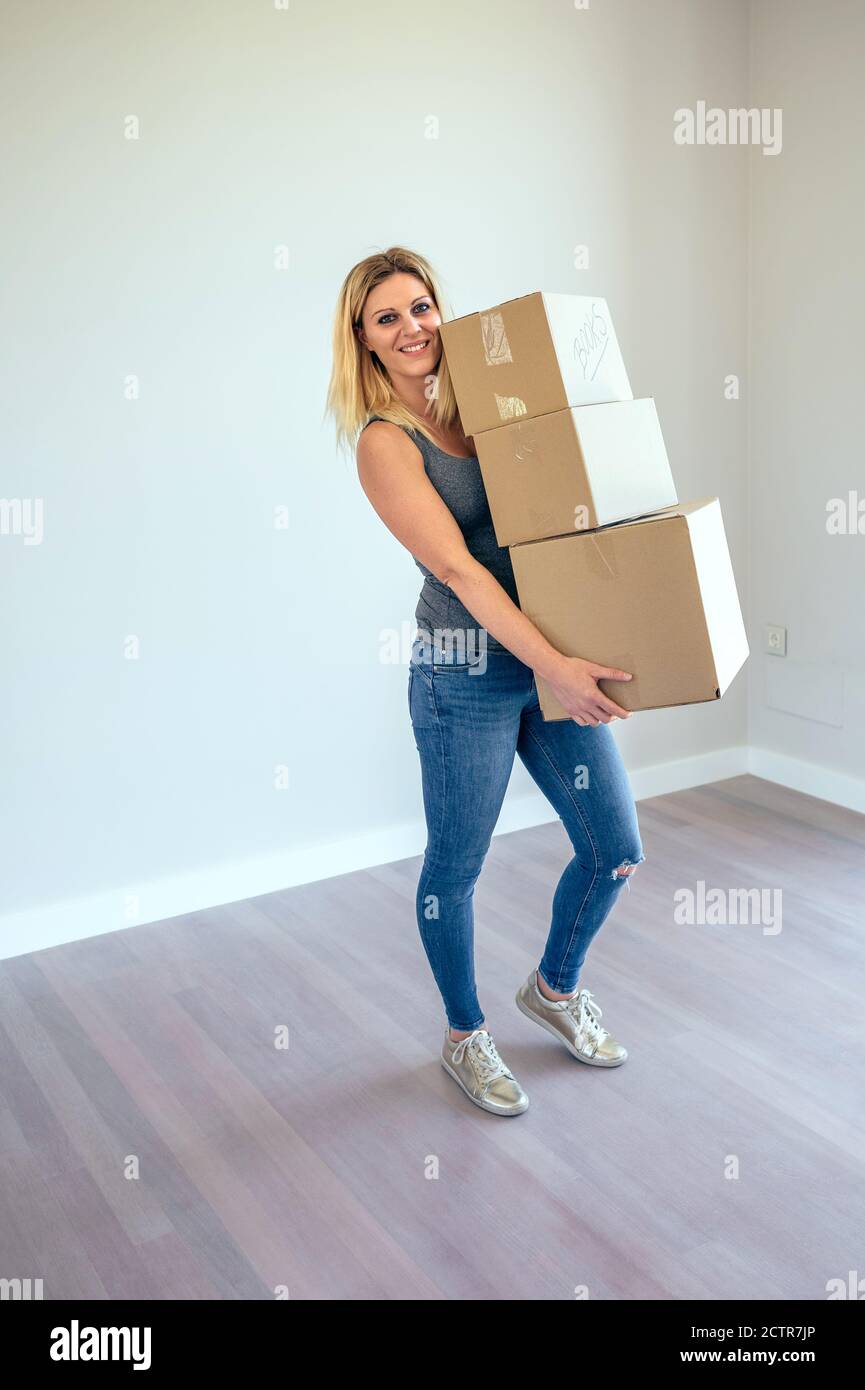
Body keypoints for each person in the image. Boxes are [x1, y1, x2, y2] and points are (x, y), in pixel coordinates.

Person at [325, 247, 645, 1117]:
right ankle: (465, 1036)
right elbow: (465, 574)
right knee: (457, 867)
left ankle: (552, 987)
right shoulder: (385, 444)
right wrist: (559, 672)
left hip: (549, 652)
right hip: (464, 673)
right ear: (362, 339)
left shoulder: (498, 411)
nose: (412, 327)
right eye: (386, 317)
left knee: (614, 848)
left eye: (421, 306)